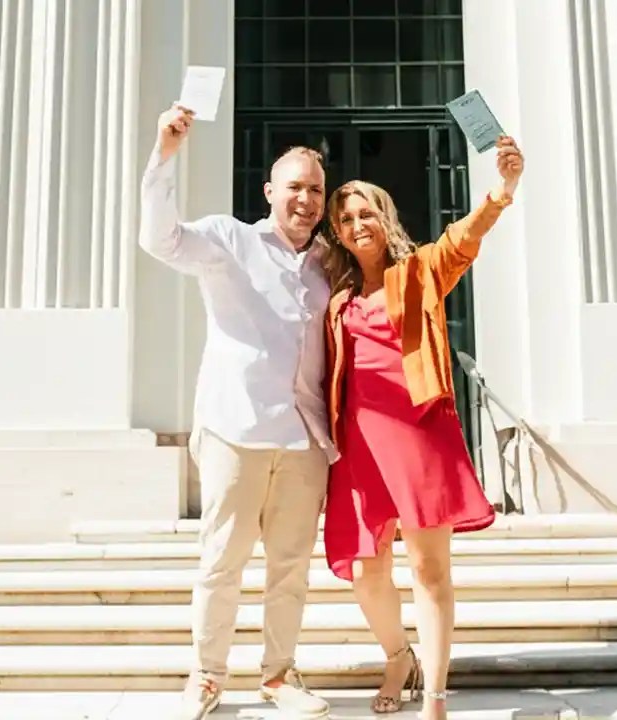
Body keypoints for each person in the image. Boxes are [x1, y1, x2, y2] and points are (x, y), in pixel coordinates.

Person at [138, 103, 337, 720]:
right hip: (236, 428)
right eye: (295, 187)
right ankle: (207, 675)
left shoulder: (328, 264)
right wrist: (165, 154)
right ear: (269, 191)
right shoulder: (230, 240)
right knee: (222, 561)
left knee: (290, 567)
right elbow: (160, 240)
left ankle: (279, 675)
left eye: (316, 190)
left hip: (305, 438)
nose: (306, 199)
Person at [320, 136, 525, 719]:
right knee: (366, 571)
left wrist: (502, 190)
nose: (357, 225)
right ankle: (398, 656)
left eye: (366, 213)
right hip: (359, 443)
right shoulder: (335, 294)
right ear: (337, 232)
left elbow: (462, 239)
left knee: (429, 568)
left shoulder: (419, 271)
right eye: (346, 219)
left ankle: (434, 694)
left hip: (418, 434)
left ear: (385, 217)